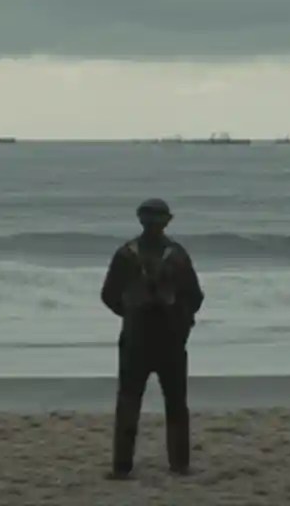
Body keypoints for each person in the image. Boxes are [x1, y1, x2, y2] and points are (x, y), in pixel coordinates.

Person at [101, 198, 204, 479]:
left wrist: (129, 313)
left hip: (136, 338)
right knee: (175, 404)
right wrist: (182, 319)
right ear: (168, 221)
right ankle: (179, 464)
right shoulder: (178, 255)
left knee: (129, 401)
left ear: (140, 220)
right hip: (171, 339)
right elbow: (195, 297)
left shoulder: (125, 254)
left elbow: (108, 296)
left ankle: (122, 467)